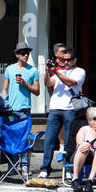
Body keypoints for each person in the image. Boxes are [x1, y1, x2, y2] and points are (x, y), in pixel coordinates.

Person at [37, 47, 86, 178]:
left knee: (70, 141)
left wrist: (57, 72)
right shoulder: (59, 72)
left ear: (74, 60)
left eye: (68, 60)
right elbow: (48, 83)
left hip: (70, 109)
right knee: (49, 139)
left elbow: (70, 83)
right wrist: (48, 71)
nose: (65, 63)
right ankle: (45, 168)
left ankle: (69, 168)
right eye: (63, 60)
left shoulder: (79, 71)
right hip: (55, 109)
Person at [1, 42, 40, 111]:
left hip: (25, 109)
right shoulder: (9, 69)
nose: (26, 55)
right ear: (17, 55)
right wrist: (5, 104)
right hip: (10, 109)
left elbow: (37, 92)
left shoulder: (33, 70)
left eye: (27, 53)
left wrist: (25, 84)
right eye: (23, 53)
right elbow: (4, 89)